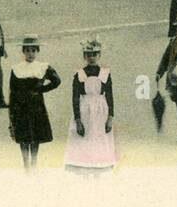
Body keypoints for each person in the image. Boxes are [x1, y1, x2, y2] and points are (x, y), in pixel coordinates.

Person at [7, 35, 61, 168]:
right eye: (28, 51)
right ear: (23, 52)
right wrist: (12, 111)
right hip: (21, 107)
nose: (30, 54)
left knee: (35, 136)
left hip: (36, 106)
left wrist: (42, 89)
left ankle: (34, 162)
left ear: (37, 51)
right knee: (24, 137)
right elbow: (12, 90)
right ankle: (26, 164)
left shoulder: (42, 67)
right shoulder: (16, 69)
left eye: (33, 51)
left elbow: (56, 81)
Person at [63, 39, 117, 172]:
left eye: (94, 54)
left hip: (100, 110)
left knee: (99, 137)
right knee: (85, 137)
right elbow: (75, 97)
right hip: (85, 109)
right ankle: (85, 164)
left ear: (99, 55)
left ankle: (99, 164)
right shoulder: (79, 74)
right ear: (84, 56)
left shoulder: (105, 73)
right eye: (88, 55)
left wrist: (110, 117)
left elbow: (109, 95)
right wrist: (78, 119)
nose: (91, 58)